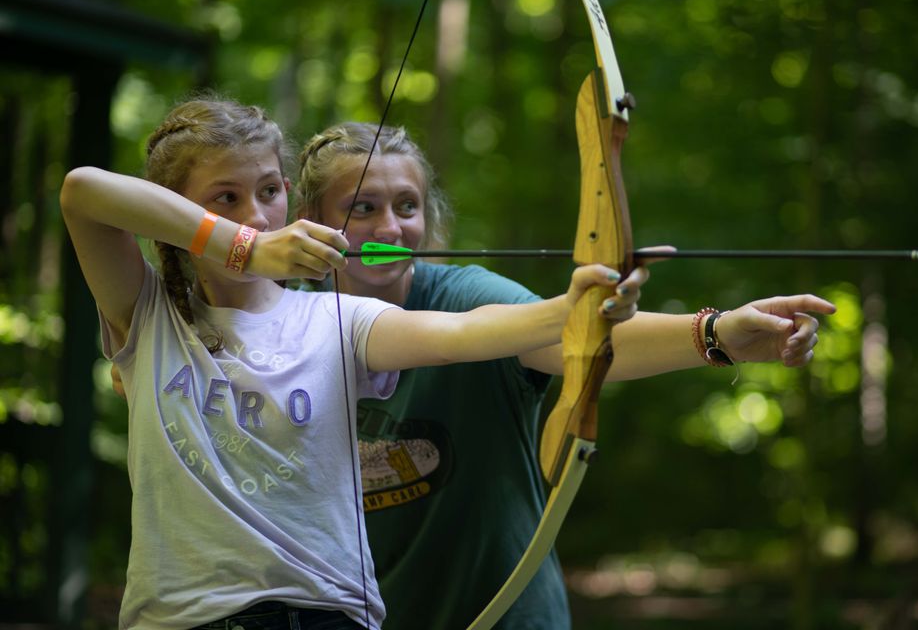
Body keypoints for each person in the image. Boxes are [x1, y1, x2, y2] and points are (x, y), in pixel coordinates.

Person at [61, 98, 650, 630]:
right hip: (181, 619)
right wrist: (241, 247)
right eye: (226, 197)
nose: (259, 215)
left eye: (269, 191)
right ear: (175, 212)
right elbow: (83, 191)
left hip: (328, 616)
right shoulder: (149, 316)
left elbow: (464, 331)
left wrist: (577, 307)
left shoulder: (338, 317)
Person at [295, 121, 838, 629]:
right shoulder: (284, 318)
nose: (389, 226)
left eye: (407, 206)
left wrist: (719, 334)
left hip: (506, 614)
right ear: (312, 220)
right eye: (363, 207)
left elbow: (580, 343)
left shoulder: (465, 296)